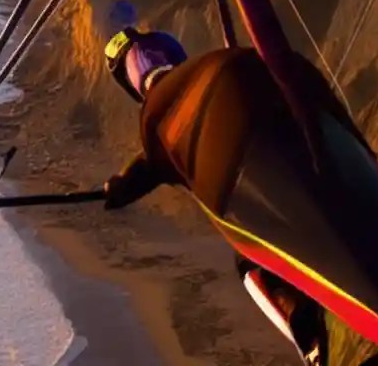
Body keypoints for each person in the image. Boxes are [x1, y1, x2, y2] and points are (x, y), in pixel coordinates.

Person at [99, 23, 333, 366]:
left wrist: (118, 187)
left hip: (252, 186)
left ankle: (305, 333)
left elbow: (144, 168)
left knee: (249, 261)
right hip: (289, 151)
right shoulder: (199, 69)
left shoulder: (159, 117)